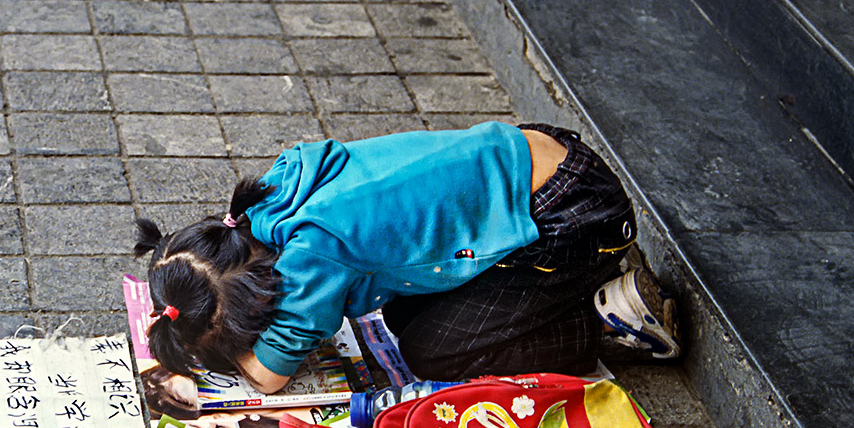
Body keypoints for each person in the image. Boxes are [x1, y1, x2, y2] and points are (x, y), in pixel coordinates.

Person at [134, 121, 679, 393]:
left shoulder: (312, 253)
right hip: (545, 152)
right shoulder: (275, 192)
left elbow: (270, 376)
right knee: (402, 313)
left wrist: (234, 355)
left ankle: (606, 319)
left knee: (434, 353)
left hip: (574, 217)